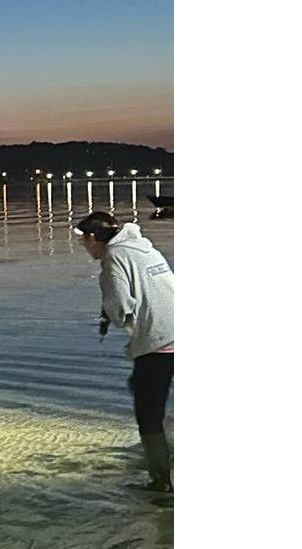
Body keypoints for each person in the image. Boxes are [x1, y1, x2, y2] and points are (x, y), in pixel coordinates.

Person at [75, 211, 175, 492]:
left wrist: (109, 315)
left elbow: (120, 310)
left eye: (84, 240)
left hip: (161, 342)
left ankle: (161, 483)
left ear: (93, 238)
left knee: (147, 413)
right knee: (143, 387)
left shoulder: (113, 258)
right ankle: (166, 453)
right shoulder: (143, 248)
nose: (84, 246)